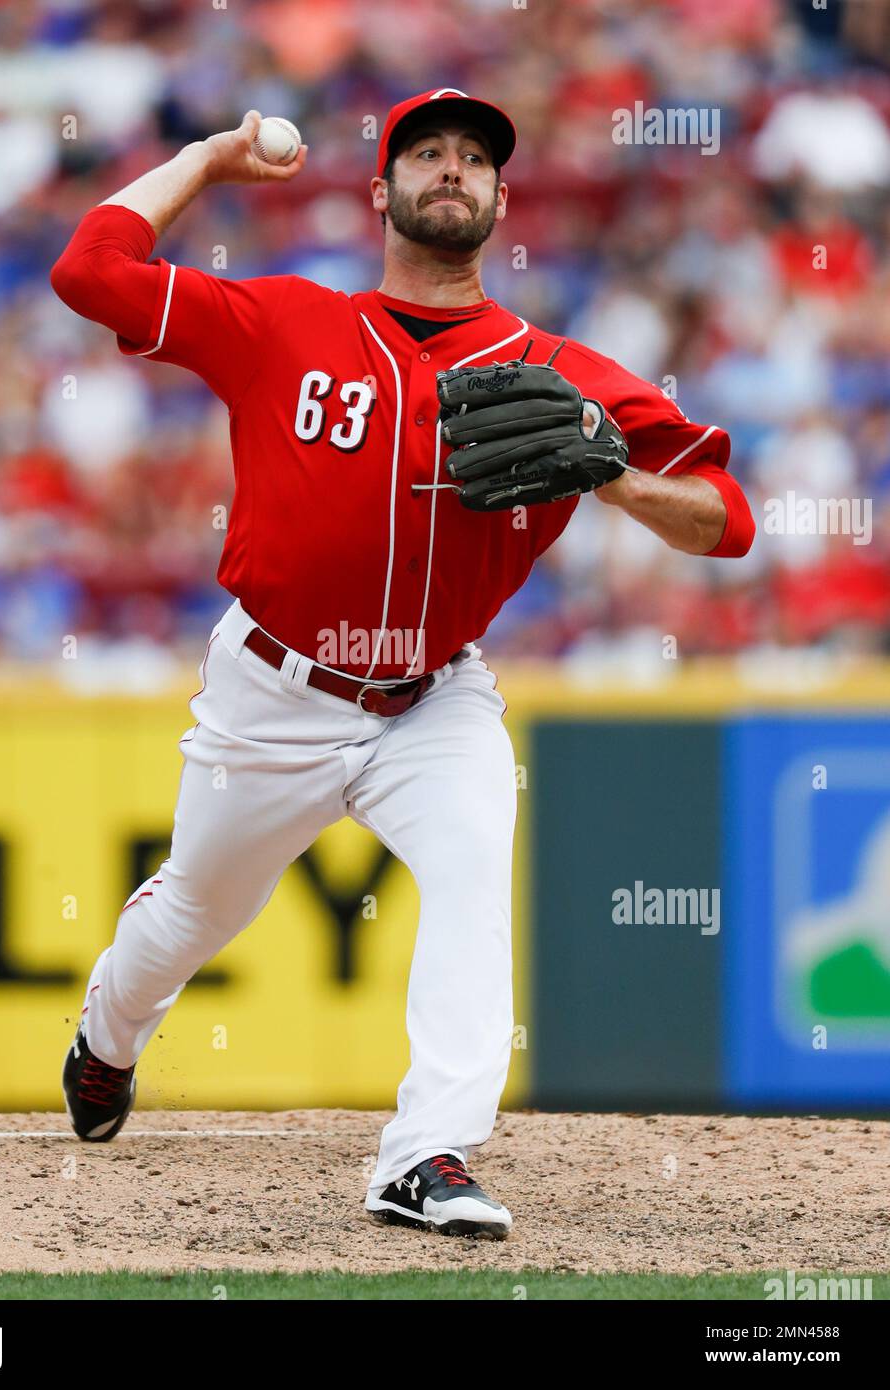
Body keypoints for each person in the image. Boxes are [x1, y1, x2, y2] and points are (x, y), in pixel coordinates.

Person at [51, 89, 754, 1240]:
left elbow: (724, 521)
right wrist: (206, 160)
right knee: (190, 912)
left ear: (500, 198)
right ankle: (107, 1036)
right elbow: (89, 270)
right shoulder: (282, 322)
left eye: (473, 157)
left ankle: (426, 1152)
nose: (450, 168)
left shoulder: (557, 369)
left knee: (477, 860)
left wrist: (613, 475)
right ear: (379, 191)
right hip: (270, 695)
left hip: (434, 698)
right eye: (424, 152)